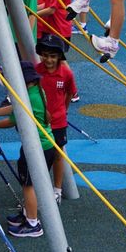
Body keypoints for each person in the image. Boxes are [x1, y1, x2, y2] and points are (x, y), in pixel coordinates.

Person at [0, 61, 54, 238]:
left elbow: (13, 120)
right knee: (31, 183)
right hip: (45, 145)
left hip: (36, 147)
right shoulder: (35, 92)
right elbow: (15, 107)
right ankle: (27, 214)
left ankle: (33, 223)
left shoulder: (29, 97)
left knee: (28, 185)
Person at [35, 35, 75, 202]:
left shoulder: (66, 73)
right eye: (45, 55)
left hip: (58, 122)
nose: (49, 59)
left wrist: (63, 111)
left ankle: (57, 189)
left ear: (59, 57)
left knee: (58, 155)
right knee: (40, 155)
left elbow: (70, 92)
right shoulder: (37, 71)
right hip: (39, 121)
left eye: (53, 56)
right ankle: (38, 188)